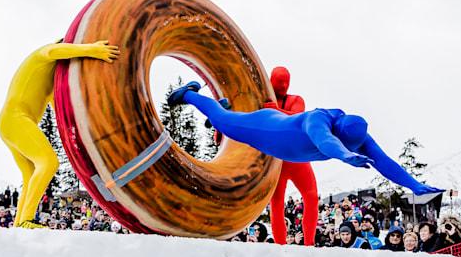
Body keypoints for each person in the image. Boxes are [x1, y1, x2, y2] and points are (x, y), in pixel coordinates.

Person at [169, 82, 444, 196]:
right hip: (266, 129)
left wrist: (414, 185)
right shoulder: (318, 120)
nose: (353, 148)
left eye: (353, 146)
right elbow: (325, 142)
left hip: (278, 136)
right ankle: (189, 93)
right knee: (221, 121)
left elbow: (384, 162)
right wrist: (345, 155)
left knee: (225, 120)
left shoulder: (360, 137)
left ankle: (221, 110)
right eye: (347, 145)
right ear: (339, 131)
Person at [0, 39, 120, 227]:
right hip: (16, 119)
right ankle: (26, 220)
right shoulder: (44, 54)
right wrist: (92, 50)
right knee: (48, 162)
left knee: (30, 175)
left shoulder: (48, 80)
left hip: (10, 122)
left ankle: (19, 224)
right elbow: (52, 52)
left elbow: (60, 112)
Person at [263, 67, 321, 247]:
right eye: (280, 81)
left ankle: (309, 243)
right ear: (271, 81)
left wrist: (275, 112)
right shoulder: (262, 101)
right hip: (278, 162)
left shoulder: (295, 100)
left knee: (311, 197)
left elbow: (298, 119)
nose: (284, 85)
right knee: (276, 202)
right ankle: (280, 246)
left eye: (286, 81)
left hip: (296, 160)